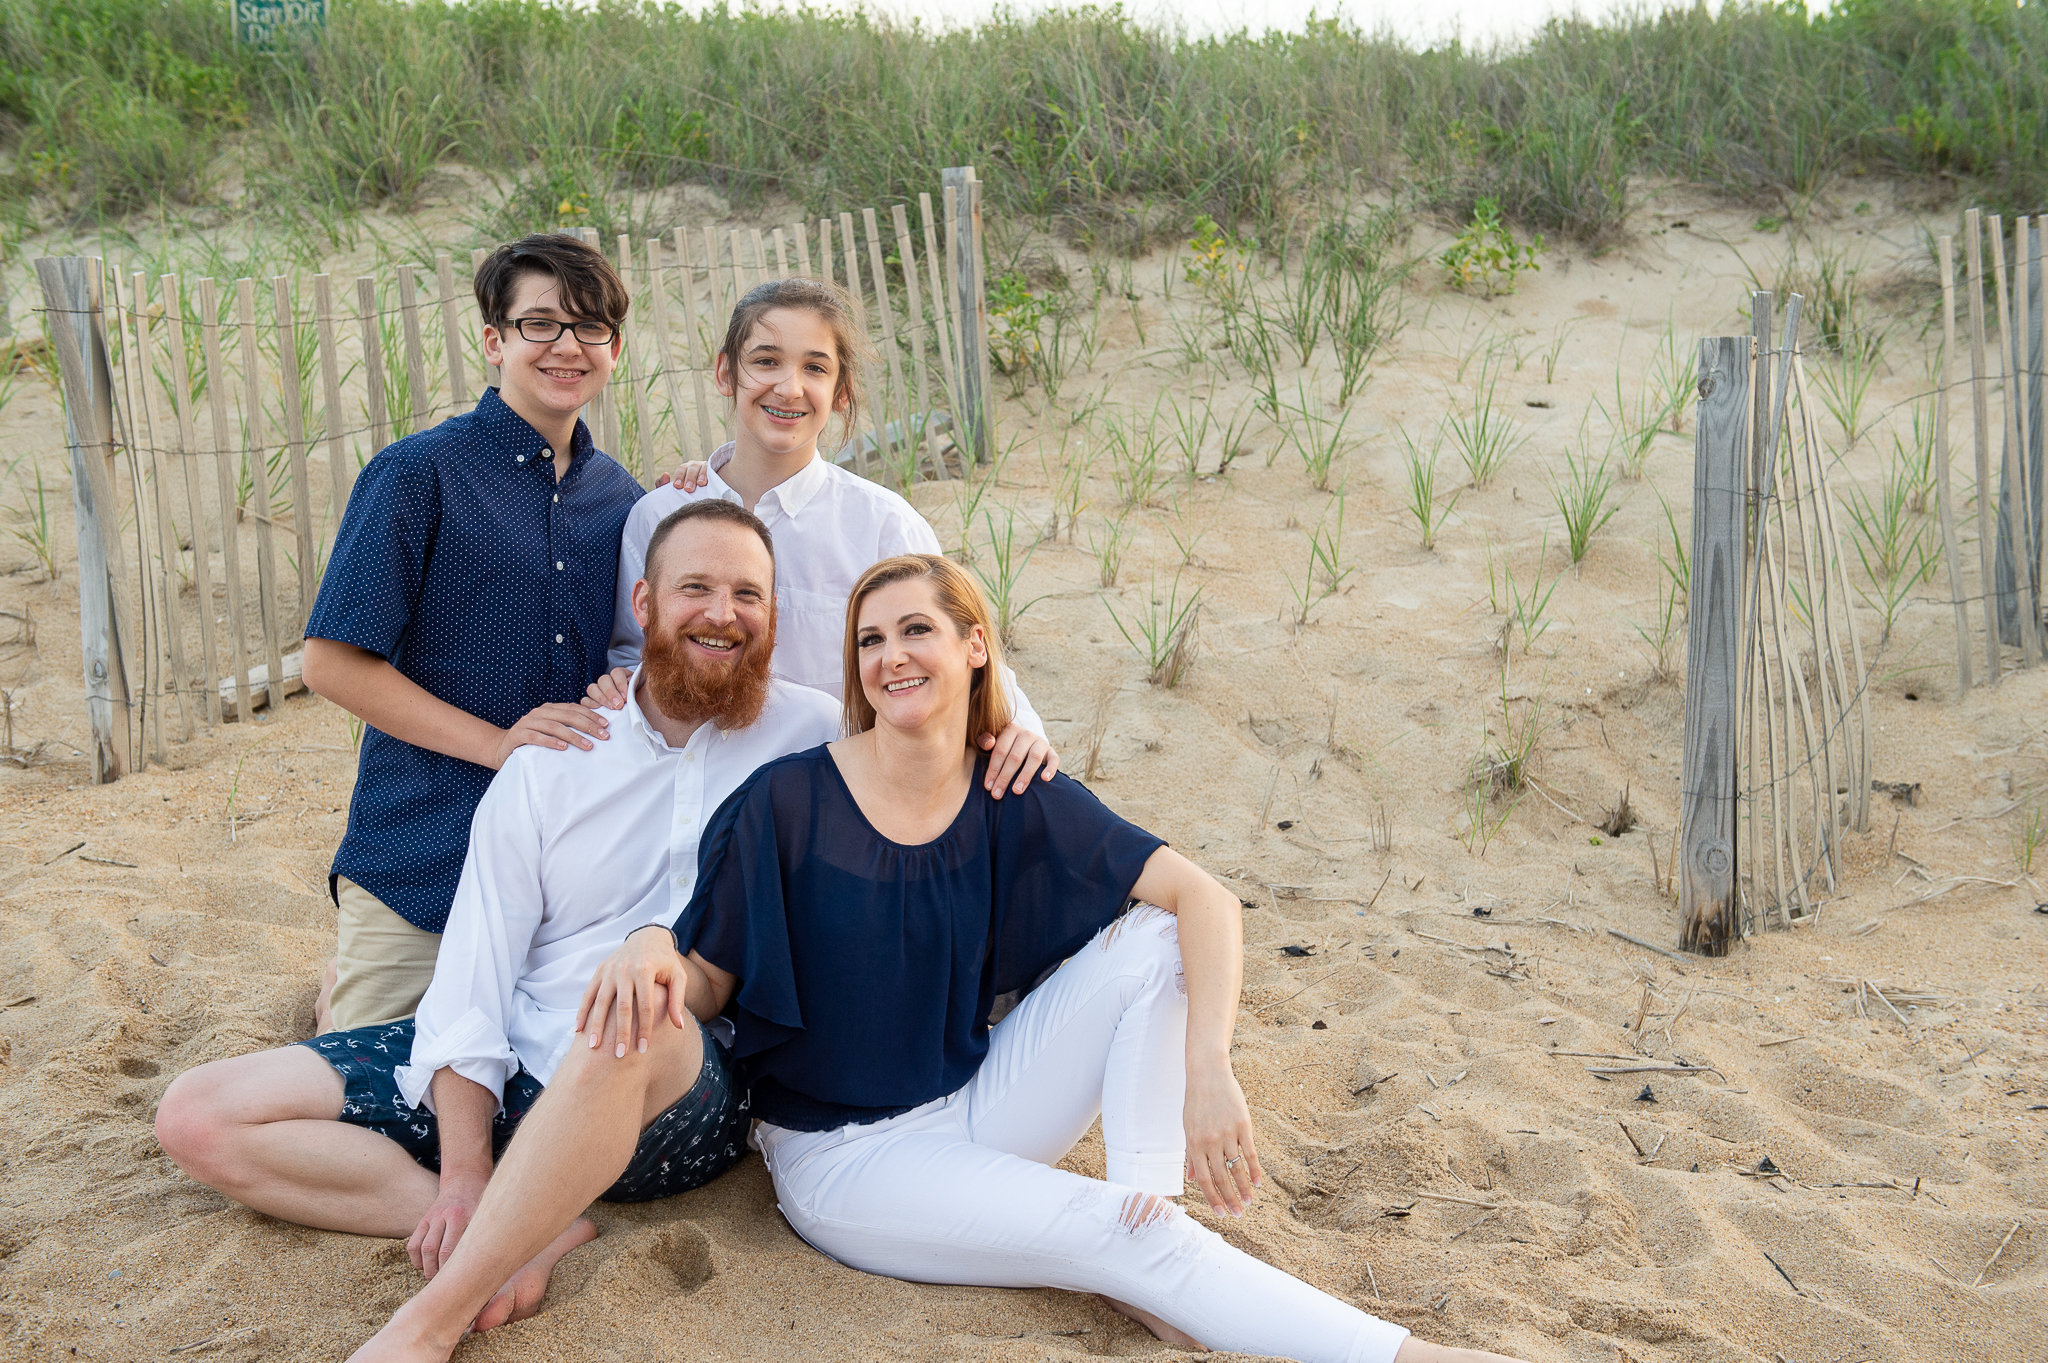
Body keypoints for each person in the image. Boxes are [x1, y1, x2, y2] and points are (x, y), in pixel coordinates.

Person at [344, 554, 1530, 1363]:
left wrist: (1209, 1065)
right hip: (850, 1162)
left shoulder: (1009, 784)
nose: (889, 655)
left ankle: (1146, 1207)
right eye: (869, 638)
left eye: (917, 629)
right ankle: (1401, 1350)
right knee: (1136, 1243)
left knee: (1156, 938)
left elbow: (1202, 897)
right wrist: (652, 943)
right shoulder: (789, 800)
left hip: (980, 1100)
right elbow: (704, 974)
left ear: (973, 645)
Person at [157, 501, 840, 1337]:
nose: (723, 613)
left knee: (636, 1014)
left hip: (671, 1094)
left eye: (749, 594)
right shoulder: (555, 760)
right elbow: (477, 969)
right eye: (696, 587)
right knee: (197, 1114)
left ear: (774, 616)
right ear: (645, 604)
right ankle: (524, 1228)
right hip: (516, 1059)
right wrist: (463, 1171)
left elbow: (938, 724)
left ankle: (427, 1322)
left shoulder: (816, 735)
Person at [302, 233, 646, 1035]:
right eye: (540, 324)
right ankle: (341, 986)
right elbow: (331, 662)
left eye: (589, 327)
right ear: (494, 341)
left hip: (560, 867)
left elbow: (636, 649)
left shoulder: (621, 499)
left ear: (614, 350)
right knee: (364, 1097)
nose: (567, 346)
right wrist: (498, 744)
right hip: (426, 853)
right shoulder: (418, 473)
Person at [591, 275, 1056, 801]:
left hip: (841, 799)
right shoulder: (659, 515)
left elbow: (947, 645)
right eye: (766, 361)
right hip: (685, 795)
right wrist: (620, 681)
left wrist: (1021, 728)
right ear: (726, 372)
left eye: (815, 367)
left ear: (841, 391)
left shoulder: (883, 524)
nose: (789, 387)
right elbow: (634, 654)